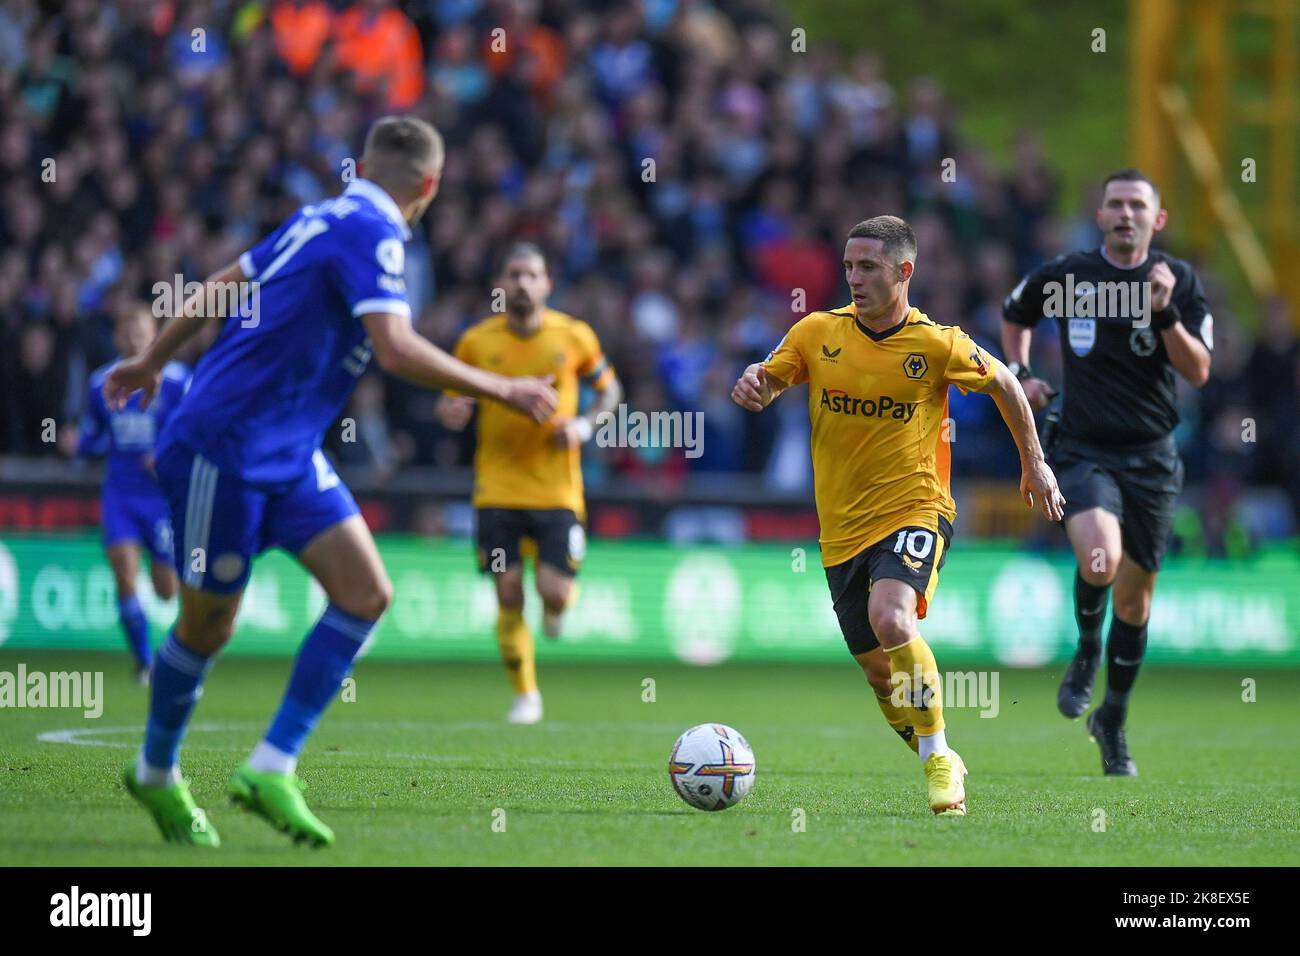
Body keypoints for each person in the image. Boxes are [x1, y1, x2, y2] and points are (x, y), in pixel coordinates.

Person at [104, 116, 558, 847]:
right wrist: (502, 390)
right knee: (205, 625)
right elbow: (395, 347)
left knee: (366, 593)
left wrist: (154, 359)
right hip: (224, 445)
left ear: (363, 165)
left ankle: (271, 766)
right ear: (430, 187)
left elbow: (224, 284)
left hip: (287, 449)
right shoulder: (371, 235)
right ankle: (156, 770)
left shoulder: (317, 216)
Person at [732, 215, 1065, 815]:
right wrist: (754, 383)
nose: (854, 279)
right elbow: (770, 379)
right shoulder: (815, 332)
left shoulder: (937, 344)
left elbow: (1009, 385)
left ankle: (938, 756)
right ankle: (936, 750)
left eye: (868, 268)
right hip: (840, 530)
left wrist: (1033, 463)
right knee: (881, 676)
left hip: (916, 507)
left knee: (892, 619)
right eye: (849, 267)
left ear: (904, 272)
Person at [1002, 169, 1212, 775]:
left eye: (1138, 205)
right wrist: (1020, 371)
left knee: (1137, 604)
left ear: (1157, 219)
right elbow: (1015, 312)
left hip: (1152, 456)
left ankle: (1112, 719)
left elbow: (1198, 371)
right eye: (1115, 204)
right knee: (1100, 557)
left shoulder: (1179, 282)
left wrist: (1165, 311)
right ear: (1100, 217)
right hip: (1082, 444)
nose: (1126, 214)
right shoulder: (1070, 277)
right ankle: (1087, 647)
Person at [436, 243, 620, 724]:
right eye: (514, 274)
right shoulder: (476, 341)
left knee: (554, 593)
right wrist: (450, 411)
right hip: (496, 488)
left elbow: (610, 390)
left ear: (547, 283)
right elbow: (450, 399)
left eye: (531, 274)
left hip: (557, 490)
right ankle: (526, 696)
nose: (522, 283)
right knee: (509, 592)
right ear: (500, 284)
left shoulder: (573, 335)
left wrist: (583, 426)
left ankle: (557, 603)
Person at [78, 305, 189, 683]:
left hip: (161, 499)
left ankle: (172, 650)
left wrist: (165, 454)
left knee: (166, 591)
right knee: (124, 575)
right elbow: (92, 435)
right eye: (127, 330)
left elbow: (192, 426)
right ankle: (145, 663)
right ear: (118, 337)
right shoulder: (101, 382)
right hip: (121, 494)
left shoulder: (176, 380)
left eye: (141, 329)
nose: (133, 337)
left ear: (155, 333)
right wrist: (78, 443)